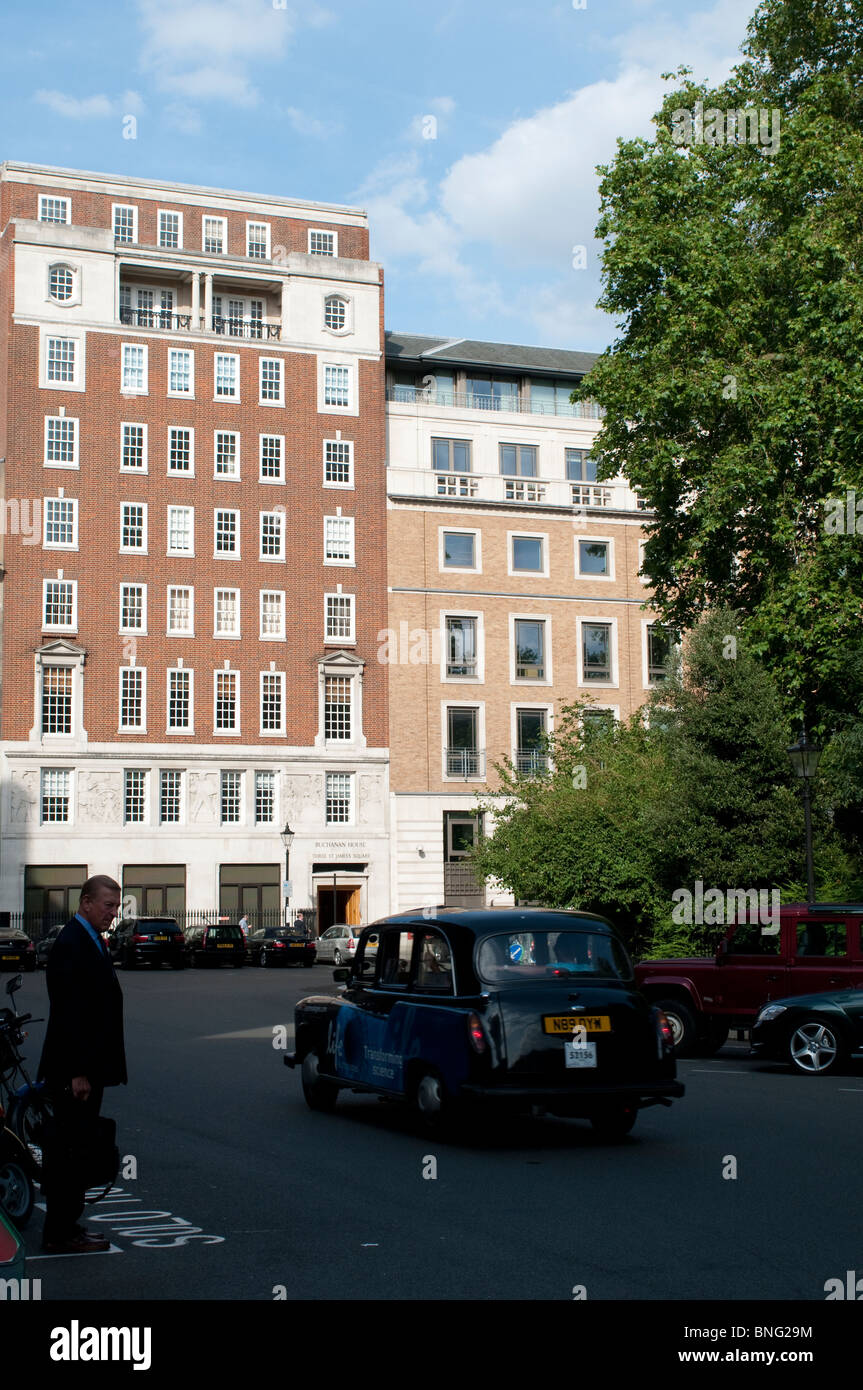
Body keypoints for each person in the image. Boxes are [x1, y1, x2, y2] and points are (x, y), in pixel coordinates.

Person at [37, 875, 126, 1254]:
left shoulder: (88, 939)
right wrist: (77, 1070)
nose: (113, 913)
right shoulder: (72, 942)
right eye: (108, 905)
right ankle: (60, 1233)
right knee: (69, 1153)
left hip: (87, 1066)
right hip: (75, 1071)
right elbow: (68, 1012)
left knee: (78, 1148)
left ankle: (69, 1225)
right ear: (86, 902)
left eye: (117, 906)